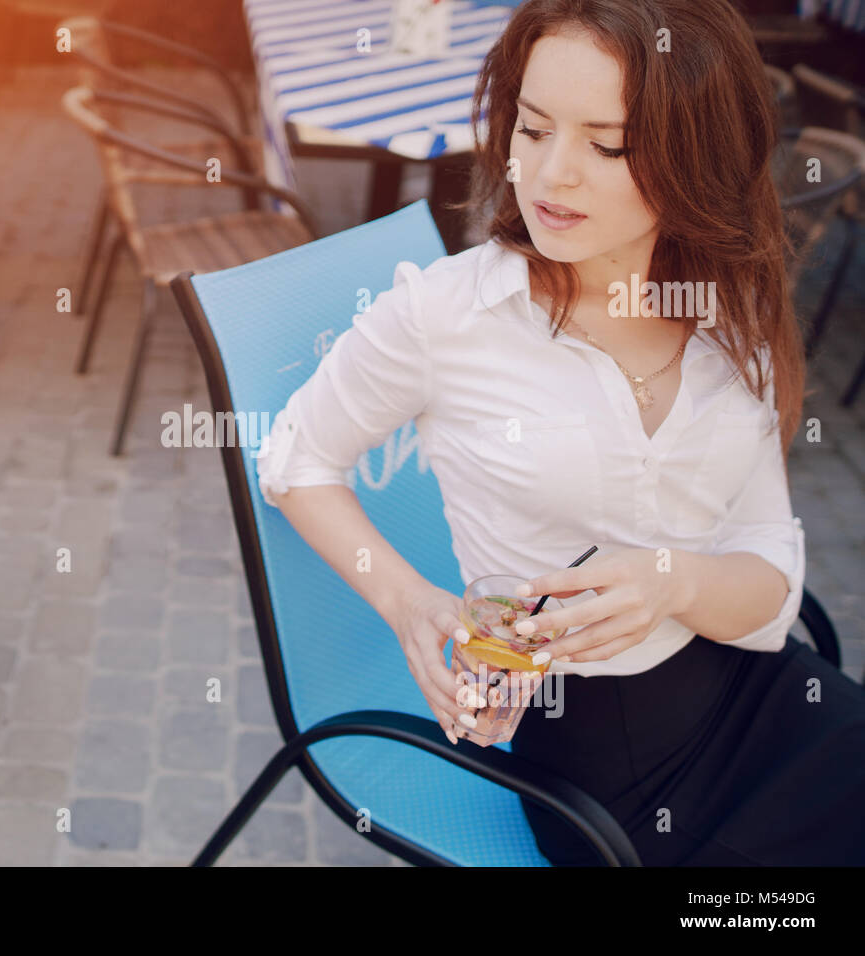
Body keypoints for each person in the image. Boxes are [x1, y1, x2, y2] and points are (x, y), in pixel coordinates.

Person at [254, 0, 865, 866]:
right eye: (532, 129)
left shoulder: (735, 312)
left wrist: (672, 581)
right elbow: (294, 460)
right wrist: (411, 602)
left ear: (700, 154)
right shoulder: (450, 314)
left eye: (605, 145)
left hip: (759, 695)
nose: (549, 175)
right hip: (605, 777)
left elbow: (768, 569)